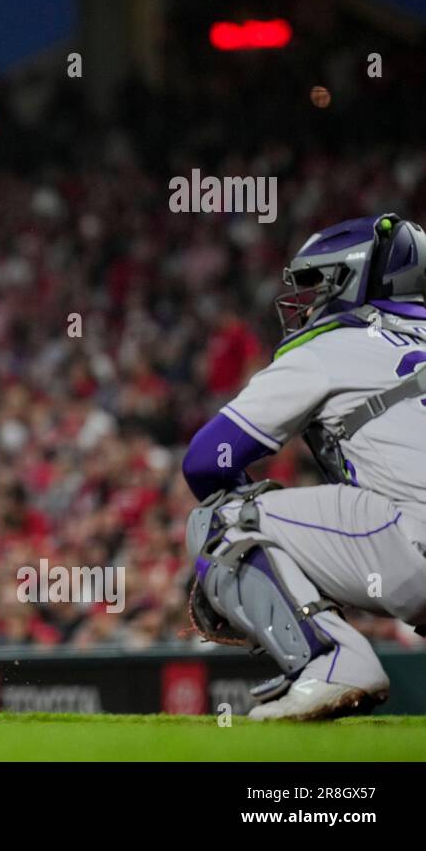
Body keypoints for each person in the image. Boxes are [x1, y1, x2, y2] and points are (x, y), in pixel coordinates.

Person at [182, 214, 426, 719]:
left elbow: (207, 461)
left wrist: (257, 558)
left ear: (353, 277)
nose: (307, 297)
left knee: (224, 520)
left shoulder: (330, 344)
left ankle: (330, 660)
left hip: (415, 549)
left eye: (318, 282)